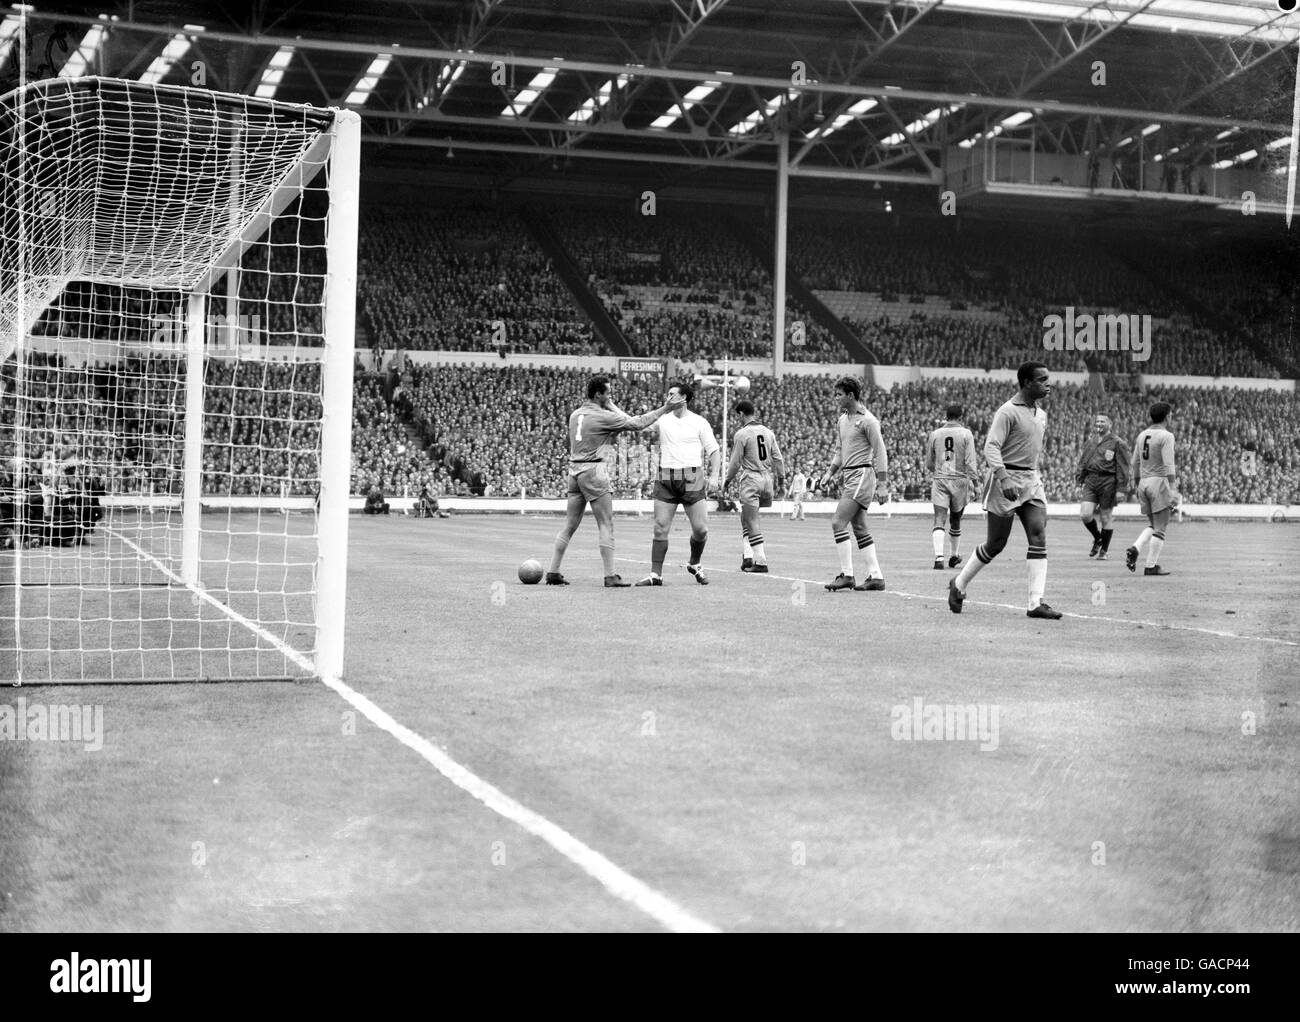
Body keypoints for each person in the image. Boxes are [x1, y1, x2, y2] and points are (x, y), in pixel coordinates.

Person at [948, 362, 1062, 620]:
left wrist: (1028, 476)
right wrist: (1003, 477)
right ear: (1026, 383)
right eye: (1042, 379)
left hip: (1030, 480)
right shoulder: (1007, 412)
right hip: (1005, 480)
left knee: (1038, 535)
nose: (1048, 383)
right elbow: (991, 447)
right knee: (996, 543)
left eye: (1048, 379)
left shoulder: (1041, 414)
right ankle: (959, 584)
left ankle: (1035, 603)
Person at [546, 375, 684, 587]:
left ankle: (553, 571)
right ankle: (610, 575)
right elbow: (638, 424)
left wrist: (609, 405)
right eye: (607, 393)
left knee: (570, 525)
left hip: (574, 471)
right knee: (606, 524)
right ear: (598, 394)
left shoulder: (575, 415)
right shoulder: (603, 417)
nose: (610, 396)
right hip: (594, 470)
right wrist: (664, 409)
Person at [635, 380, 720, 586]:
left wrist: (715, 476)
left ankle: (695, 563)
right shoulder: (663, 419)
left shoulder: (699, 422)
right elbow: (639, 425)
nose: (668, 397)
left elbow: (714, 450)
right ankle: (656, 575)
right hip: (666, 475)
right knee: (660, 527)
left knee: (701, 530)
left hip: (692, 475)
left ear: (684, 398)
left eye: (672, 394)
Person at [818, 376, 889, 592]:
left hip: (862, 475)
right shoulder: (842, 420)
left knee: (838, 522)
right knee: (859, 527)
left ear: (850, 395)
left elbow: (880, 451)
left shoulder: (868, 420)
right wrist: (830, 472)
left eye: (839, 394)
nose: (836, 398)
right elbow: (840, 450)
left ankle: (847, 575)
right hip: (849, 475)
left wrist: (883, 484)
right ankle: (876, 577)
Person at [724, 399, 785, 573]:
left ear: (741, 414)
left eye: (738, 417)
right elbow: (778, 459)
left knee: (751, 520)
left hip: (751, 479)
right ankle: (747, 556)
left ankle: (761, 561)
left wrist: (727, 481)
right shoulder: (768, 432)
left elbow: (735, 464)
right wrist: (781, 482)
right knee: (746, 518)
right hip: (767, 479)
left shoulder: (742, 434)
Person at [924, 403, 979, 570]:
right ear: (961, 418)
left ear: (946, 417)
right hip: (960, 480)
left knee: (939, 518)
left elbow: (928, 463)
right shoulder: (966, 434)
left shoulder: (935, 434)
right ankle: (954, 555)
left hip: (940, 479)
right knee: (956, 519)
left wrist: (940, 470)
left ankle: (938, 558)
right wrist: (975, 484)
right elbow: (970, 461)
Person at [1125, 402, 1178, 576]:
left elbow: (1135, 462)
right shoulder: (1166, 436)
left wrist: (1138, 482)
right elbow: (1169, 464)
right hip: (1159, 482)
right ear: (1168, 416)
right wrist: (1173, 488)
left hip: (1144, 482)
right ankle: (1151, 565)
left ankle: (1136, 547)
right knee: (1161, 527)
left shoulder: (1142, 435)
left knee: (1154, 525)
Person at [1076, 413, 1129, 560]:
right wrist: (1079, 481)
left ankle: (1104, 551)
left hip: (1108, 482)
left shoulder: (1118, 443)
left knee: (1105, 516)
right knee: (1085, 514)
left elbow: (1123, 467)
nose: (1099, 423)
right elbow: (1083, 462)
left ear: (1110, 424)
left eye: (1102, 421)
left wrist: (1121, 489)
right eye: (1097, 421)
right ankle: (1098, 538)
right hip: (1091, 481)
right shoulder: (1091, 442)